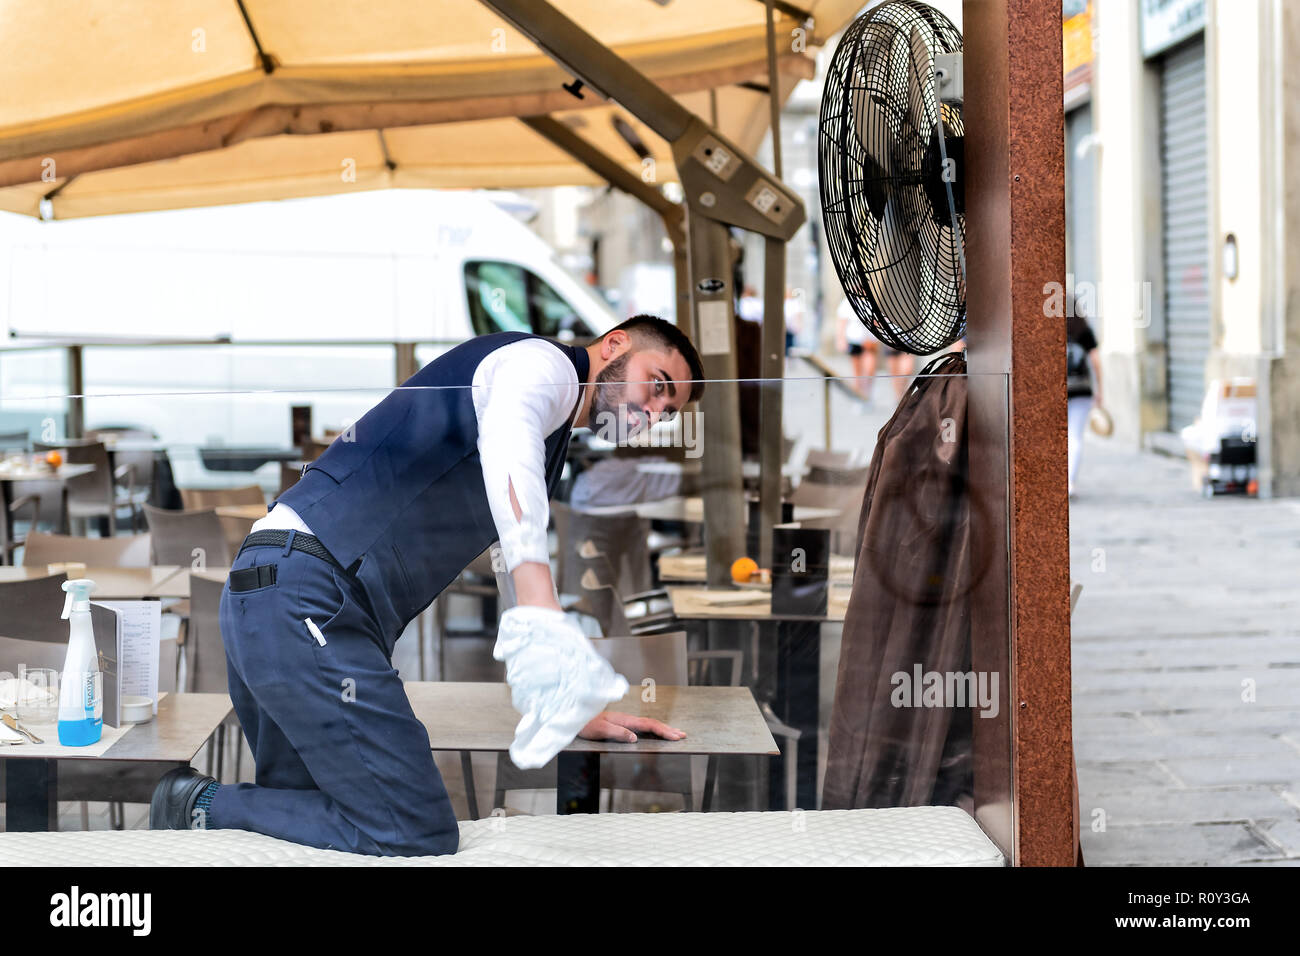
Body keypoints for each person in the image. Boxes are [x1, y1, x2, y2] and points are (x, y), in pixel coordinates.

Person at [149, 316, 705, 856]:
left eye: (668, 411)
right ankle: (201, 804)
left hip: (278, 596)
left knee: (321, 823)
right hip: (307, 595)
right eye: (658, 385)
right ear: (614, 345)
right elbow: (513, 451)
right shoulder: (542, 367)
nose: (652, 412)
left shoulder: (552, 426)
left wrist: (562, 698)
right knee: (413, 829)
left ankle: (200, 809)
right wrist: (546, 614)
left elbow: (507, 554)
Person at [1067, 302, 1102, 498]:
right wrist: (1100, 390)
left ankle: (1057, 478)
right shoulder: (1083, 330)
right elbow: (1095, 360)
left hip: (1056, 390)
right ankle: (1069, 482)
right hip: (1081, 389)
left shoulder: (1046, 327)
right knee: (1075, 437)